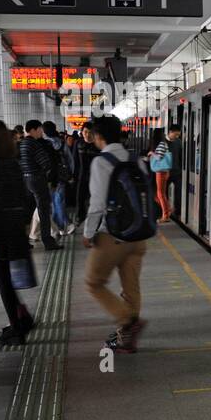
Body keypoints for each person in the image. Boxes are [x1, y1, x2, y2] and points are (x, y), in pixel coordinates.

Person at [82, 115, 148, 353]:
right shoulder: (135, 158)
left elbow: (97, 203)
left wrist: (88, 232)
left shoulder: (101, 162)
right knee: (131, 288)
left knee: (93, 282)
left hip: (112, 235)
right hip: (138, 234)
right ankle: (126, 339)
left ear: (99, 137)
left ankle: (128, 321)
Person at [0, 120, 35, 344]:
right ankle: (21, 320)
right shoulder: (13, 166)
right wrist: (20, 221)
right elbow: (26, 199)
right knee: (6, 281)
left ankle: (16, 329)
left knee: (3, 282)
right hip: (14, 232)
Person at [18, 119, 61, 250]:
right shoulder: (34, 144)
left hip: (26, 179)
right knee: (43, 210)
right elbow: (46, 163)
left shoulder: (22, 144)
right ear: (33, 130)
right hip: (37, 179)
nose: (42, 132)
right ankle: (48, 241)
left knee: (28, 210)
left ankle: (23, 241)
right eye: (40, 129)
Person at [147, 128, 174, 222]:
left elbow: (159, 157)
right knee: (158, 194)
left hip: (161, 172)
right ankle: (168, 209)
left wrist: (151, 153)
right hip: (162, 171)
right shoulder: (162, 144)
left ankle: (165, 215)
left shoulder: (162, 144)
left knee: (160, 194)